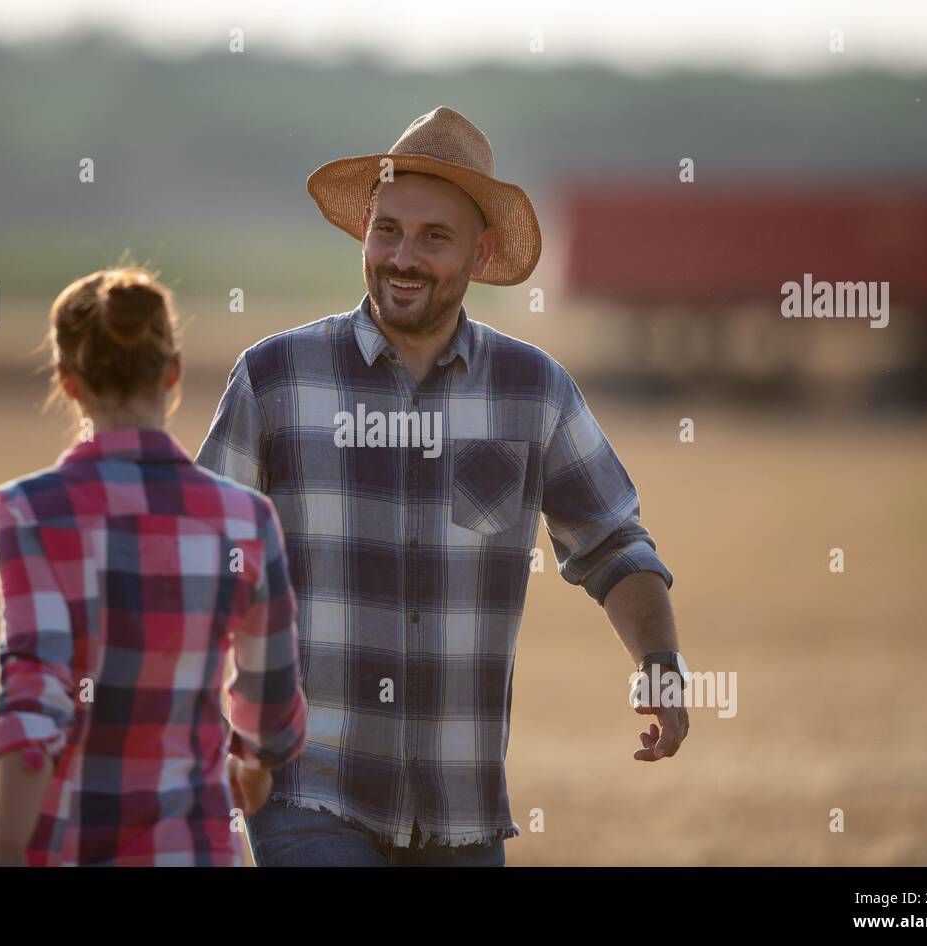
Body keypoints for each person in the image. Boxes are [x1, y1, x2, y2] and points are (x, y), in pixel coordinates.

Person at [197, 106, 688, 867]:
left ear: (480, 251)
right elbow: (200, 559)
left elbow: (613, 540)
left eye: (434, 237)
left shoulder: (534, 391)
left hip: (463, 815)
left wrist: (659, 664)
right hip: (304, 793)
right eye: (387, 229)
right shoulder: (276, 379)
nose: (403, 256)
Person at [0, 266, 307, 866]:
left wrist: (3, 851)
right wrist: (254, 761)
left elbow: (35, 699)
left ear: (67, 381)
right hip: (191, 848)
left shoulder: (30, 512)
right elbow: (271, 703)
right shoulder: (243, 519)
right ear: (173, 373)